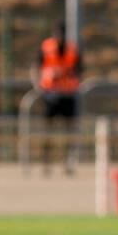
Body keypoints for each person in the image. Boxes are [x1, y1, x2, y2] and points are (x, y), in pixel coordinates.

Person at [31, 21, 82, 174]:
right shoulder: (46, 47)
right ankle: (46, 163)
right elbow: (36, 67)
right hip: (50, 94)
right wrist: (38, 85)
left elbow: (79, 71)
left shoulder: (72, 49)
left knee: (69, 131)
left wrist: (73, 80)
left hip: (68, 94)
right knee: (47, 130)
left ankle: (67, 163)